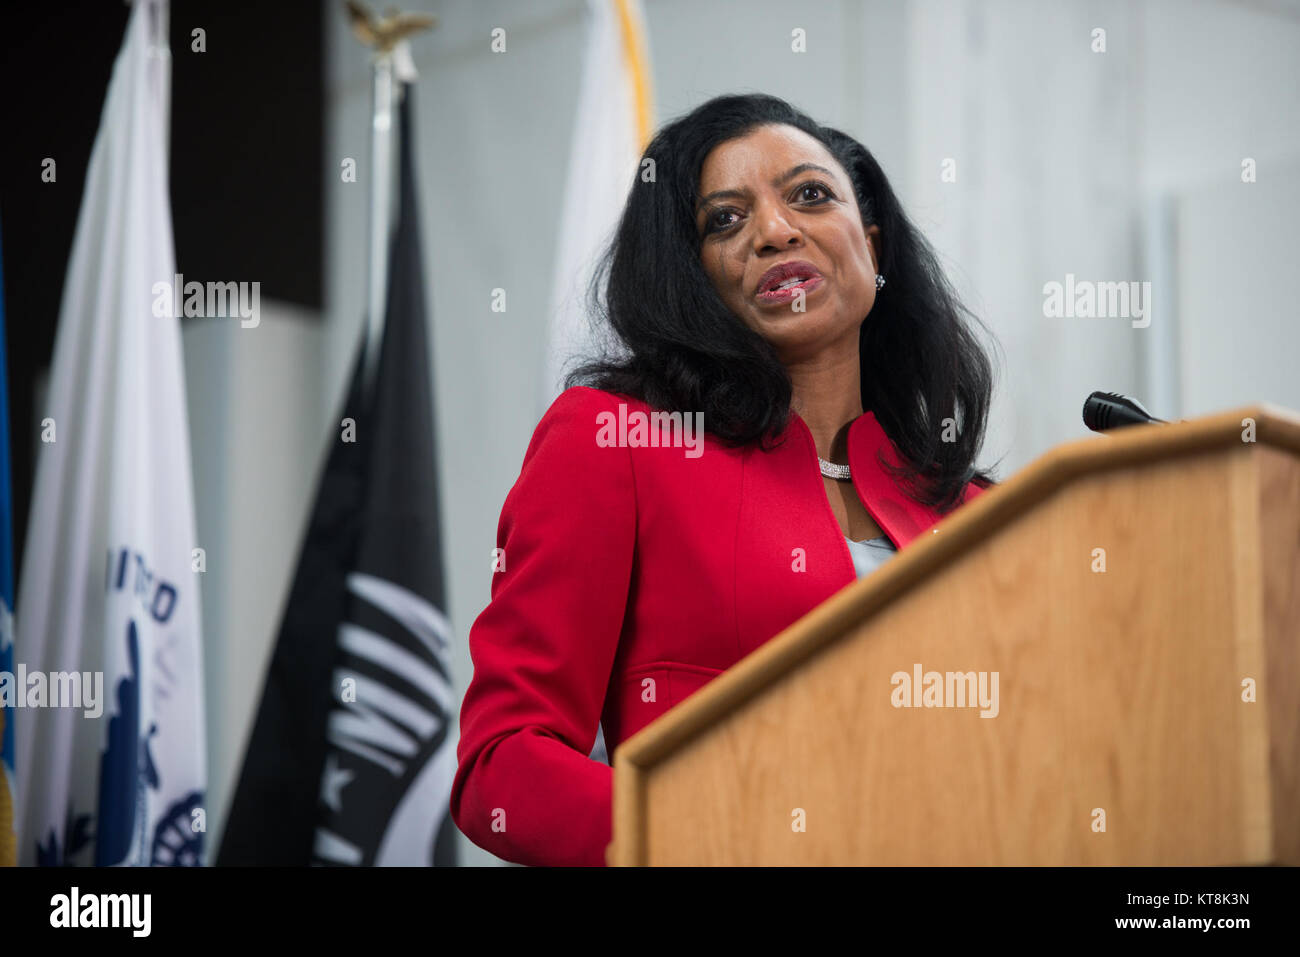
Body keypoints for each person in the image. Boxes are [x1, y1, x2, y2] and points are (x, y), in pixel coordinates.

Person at [450, 93, 1001, 866]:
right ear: (695, 279)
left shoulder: (975, 511)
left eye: (810, 194)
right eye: (726, 221)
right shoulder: (617, 442)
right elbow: (500, 771)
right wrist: (715, 835)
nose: (776, 231)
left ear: (873, 247)